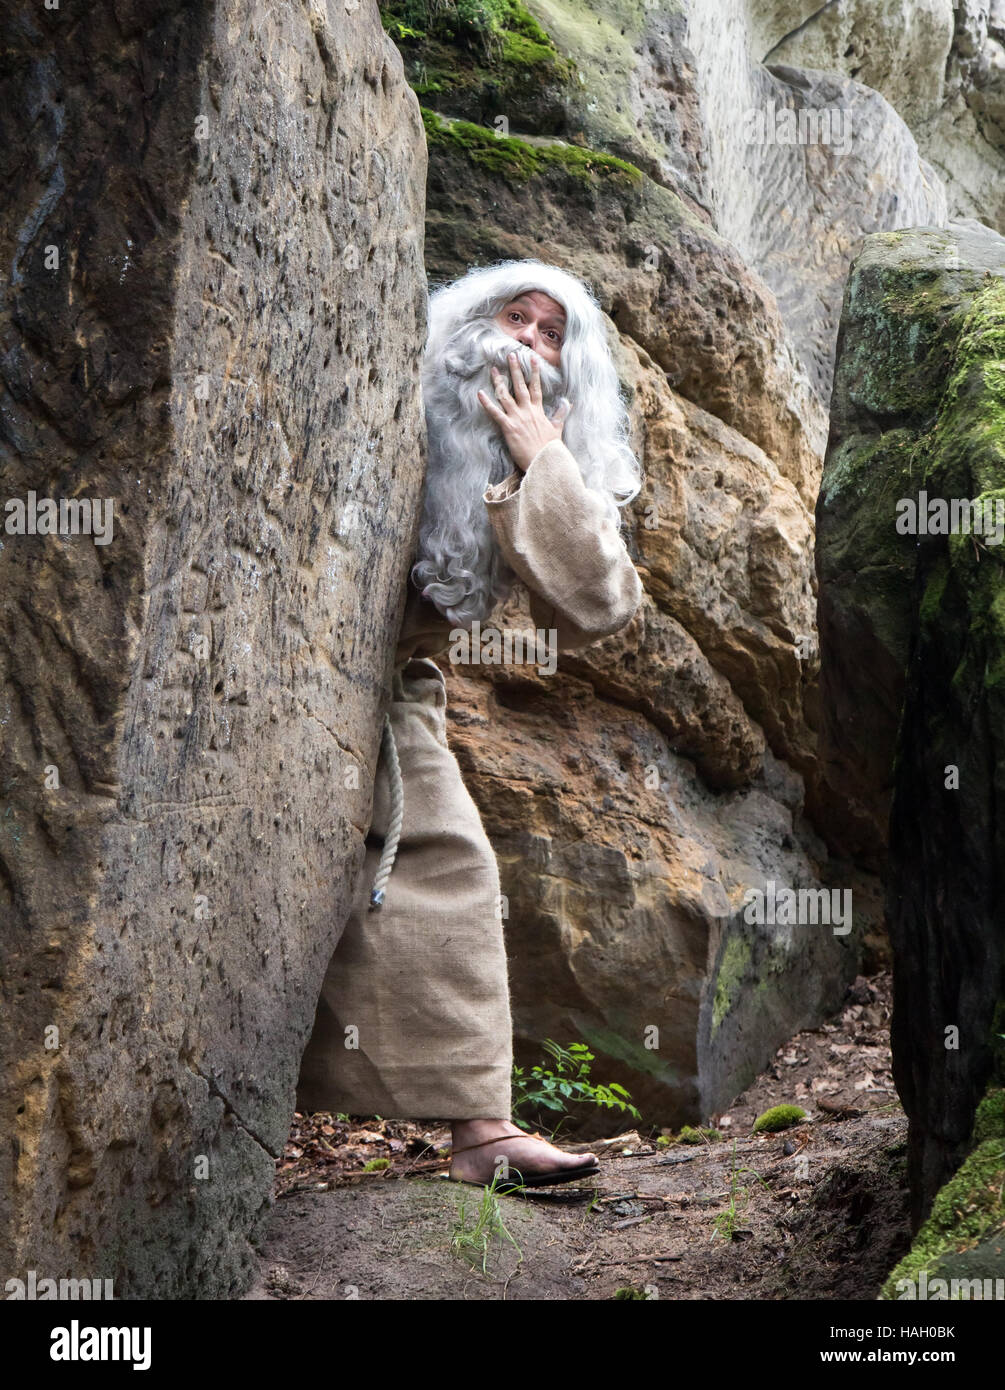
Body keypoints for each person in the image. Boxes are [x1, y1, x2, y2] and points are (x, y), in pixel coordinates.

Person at [297, 259, 644, 1189]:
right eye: (513, 317)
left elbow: (602, 604)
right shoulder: (393, 388)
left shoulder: (536, 455)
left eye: (549, 335)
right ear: (464, 325)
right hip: (287, 678)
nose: (524, 343)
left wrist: (541, 461)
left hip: (391, 697)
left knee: (452, 869)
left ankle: (482, 1133)